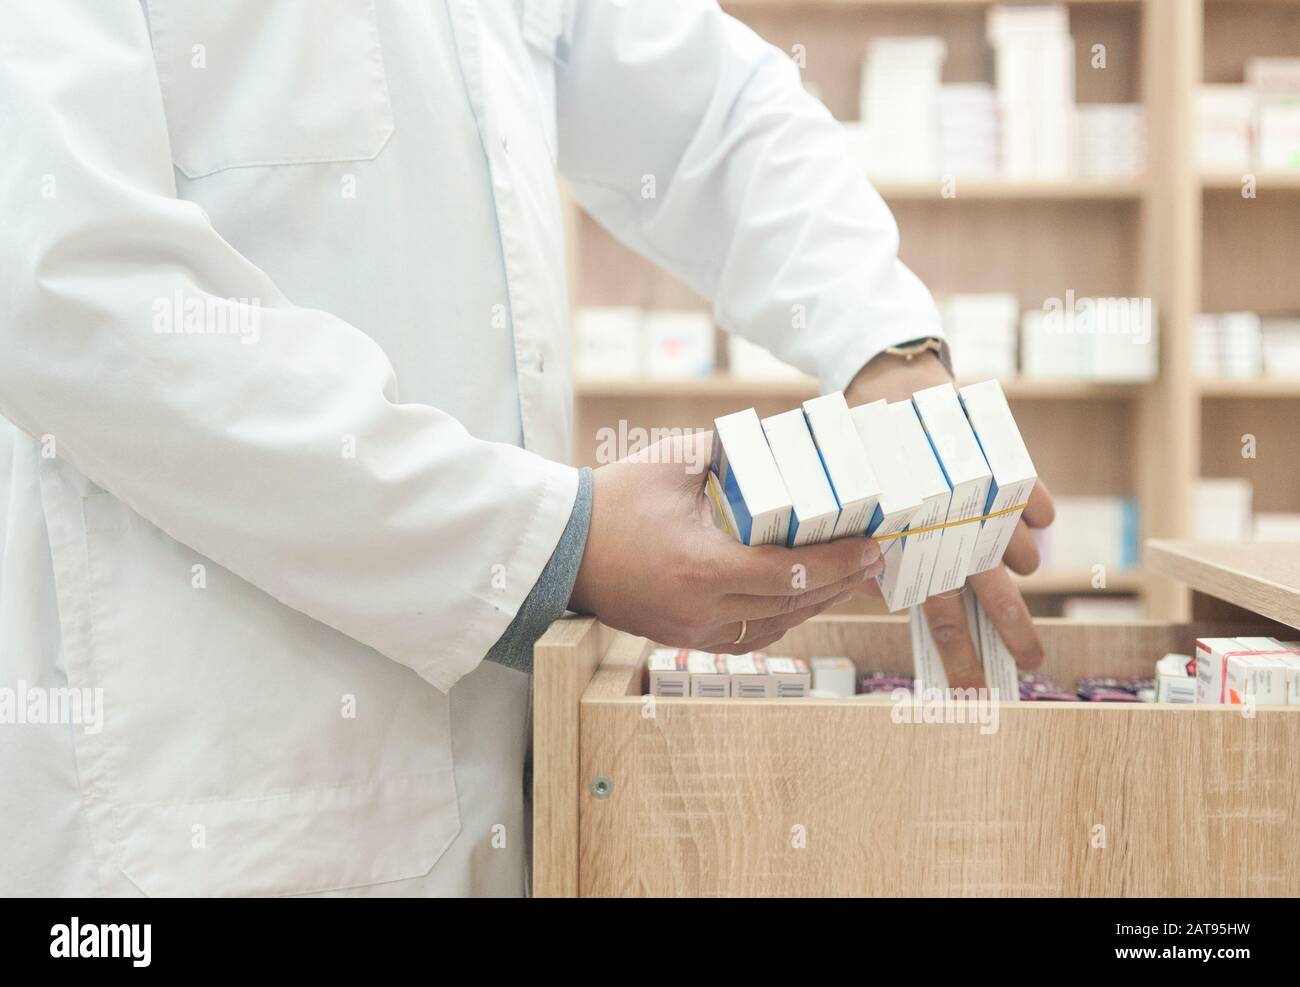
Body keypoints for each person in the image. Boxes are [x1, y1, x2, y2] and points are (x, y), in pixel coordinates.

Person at [0, 1, 1054, 897]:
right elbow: (62, 284)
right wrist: (557, 545)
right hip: (207, 780)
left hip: (499, 754)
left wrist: (888, 351)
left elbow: (704, 113)